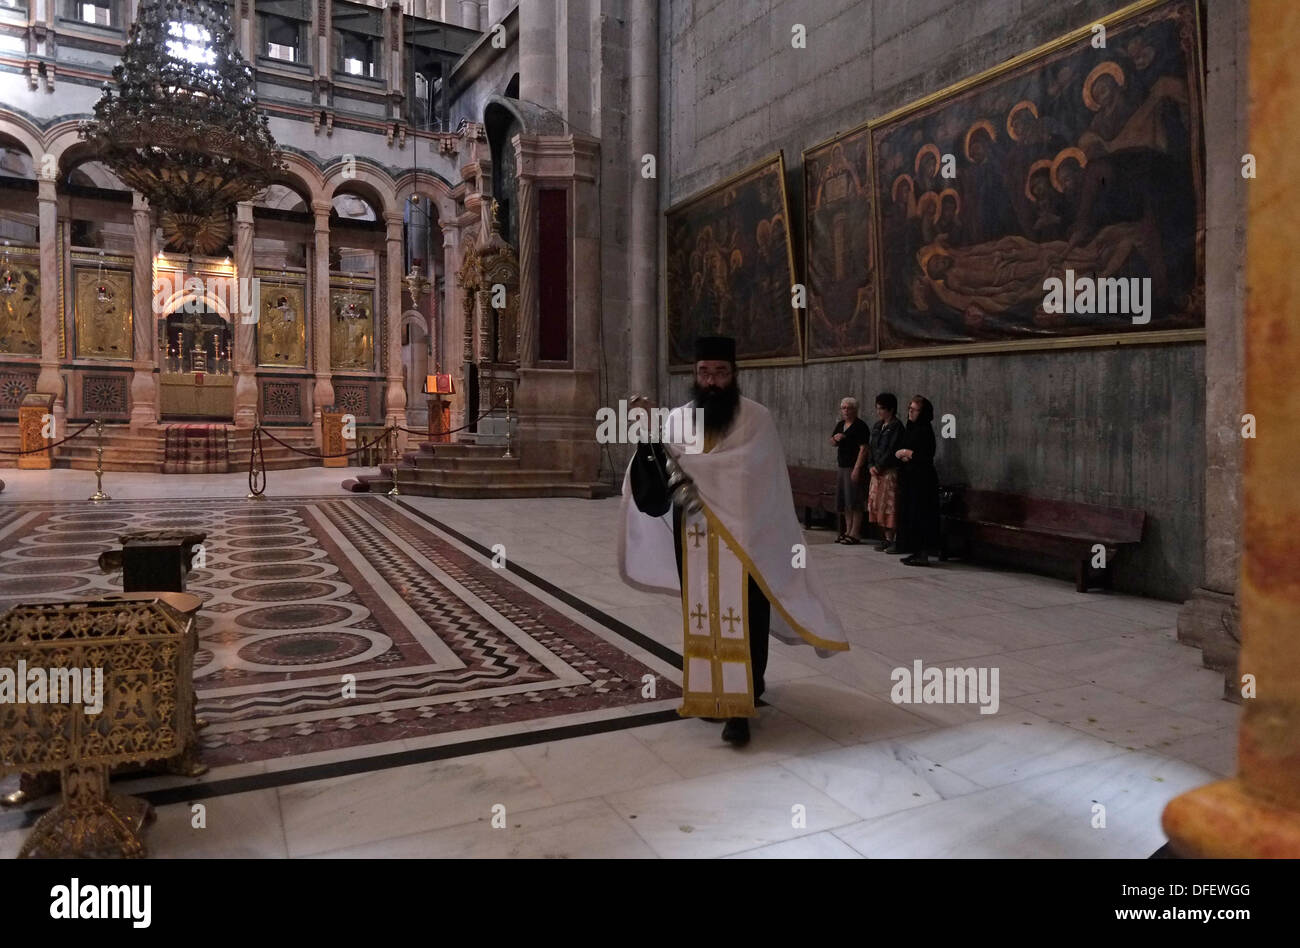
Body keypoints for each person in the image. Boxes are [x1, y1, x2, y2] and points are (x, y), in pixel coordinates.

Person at [620, 336, 849, 746]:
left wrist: (701, 476)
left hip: (744, 539)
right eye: (704, 372)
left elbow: (760, 479)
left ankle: (744, 698)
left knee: (745, 619)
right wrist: (648, 441)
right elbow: (657, 470)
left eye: (720, 373)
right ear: (695, 374)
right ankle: (709, 695)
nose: (711, 381)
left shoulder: (756, 419)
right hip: (693, 538)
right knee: (701, 617)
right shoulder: (676, 420)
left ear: (734, 375)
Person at [894, 395, 940, 566]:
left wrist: (909, 454)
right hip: (910, 478)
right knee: (910, 515)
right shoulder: (910, 428)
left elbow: (926, 456)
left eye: (914, 410)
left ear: (923, 412)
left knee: (921, 516)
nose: (910, 412)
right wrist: (904, 453)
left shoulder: (925, 430)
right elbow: (901, 449)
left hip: (923, 481)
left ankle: (923, 553)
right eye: (909, 409)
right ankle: (915, 550)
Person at [829, 397, 870, 544]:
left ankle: (855, 532)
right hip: (842, 465)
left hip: (853, 466)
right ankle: (847, 530)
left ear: (855, 409)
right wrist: (836, 438)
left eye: (849, 408)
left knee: (855, 500)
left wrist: (857, 469)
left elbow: (864, 449)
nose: (846, 410)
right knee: (846, 501)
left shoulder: (860, 426)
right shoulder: (841, 424)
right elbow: (832, 442)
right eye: (843, 408)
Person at [867, 392, 903, 551]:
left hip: (889, 471)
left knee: (889, 505)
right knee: (877, 505)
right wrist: (871, 465)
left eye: (882, 408)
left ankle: (893, 538)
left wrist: (879, 466)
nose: (879, 412)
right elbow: (871, 447)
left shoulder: (896, 427)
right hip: (876, 472)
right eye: (877, 408)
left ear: (891, 409)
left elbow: (892, 449)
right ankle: (886, 538)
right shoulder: (877, 426)